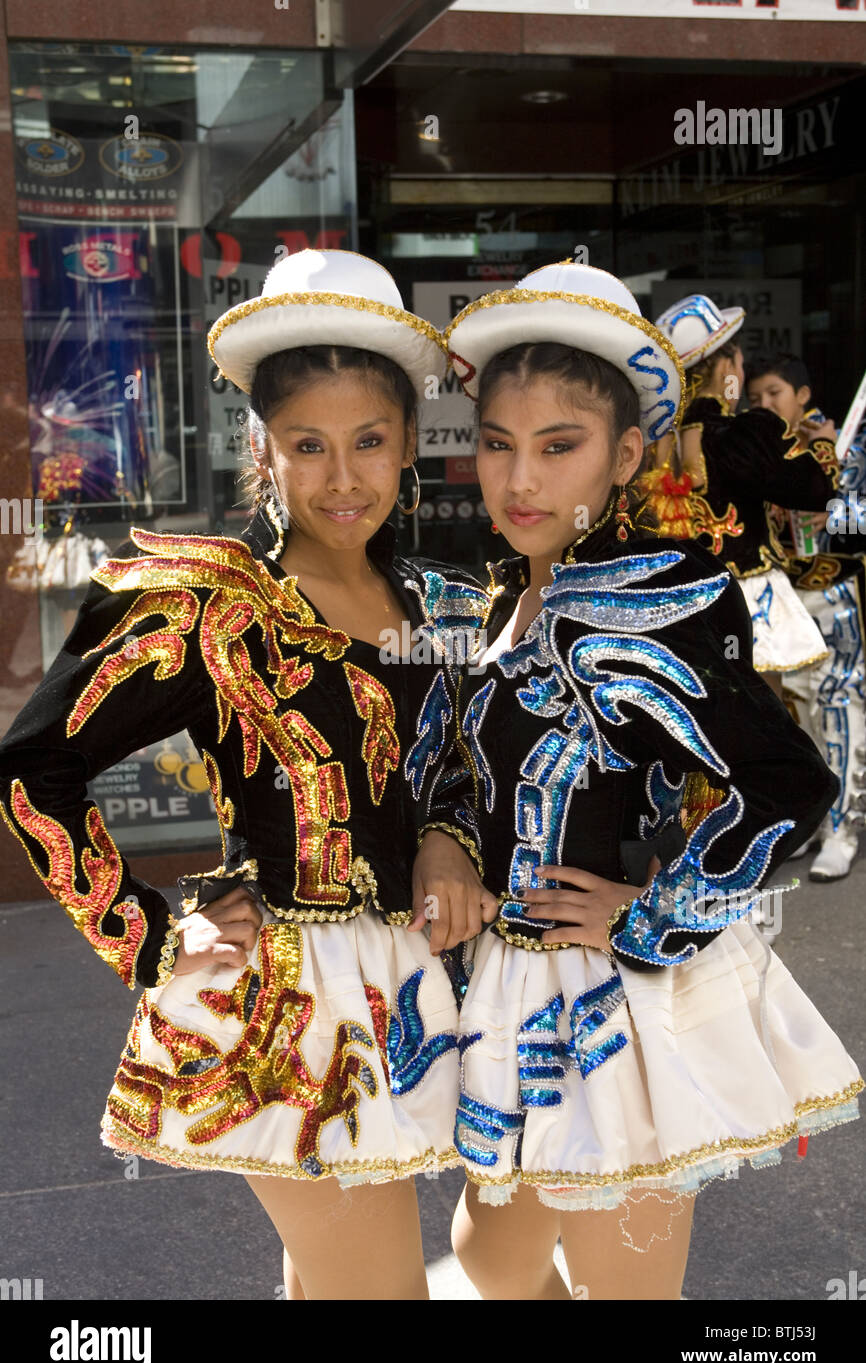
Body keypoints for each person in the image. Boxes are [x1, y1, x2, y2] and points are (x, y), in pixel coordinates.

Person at [0, 249, 496, 1302]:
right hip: (284, 1014)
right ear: (259, 449)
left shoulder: (440, 600)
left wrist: (447, 839)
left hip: (408, 989)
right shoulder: (208, 606)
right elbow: (32, 765)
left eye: (368, 441)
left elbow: (453, 761)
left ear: (409, 441)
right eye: (306, 444)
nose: (342, 477)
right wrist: (145, 936)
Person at [410, 260, 863, 1301]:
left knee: (621, 1284)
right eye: (495, 445)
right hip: (509, 980)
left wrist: (650, 913)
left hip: (611, 999)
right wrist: (443, 837)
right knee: (490, 1254)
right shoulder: (501, 597)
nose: (519, 482)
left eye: (556, 448)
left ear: (622, 454)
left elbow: (787, 786)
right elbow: (467, 766)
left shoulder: (650, 596)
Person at [637, 293, 839, 700]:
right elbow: (817, 490)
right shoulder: (742, 434)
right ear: (727, 365)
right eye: (741, 365)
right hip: (745, 599)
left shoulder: (650, 446)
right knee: (762, 723)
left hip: (674, 604)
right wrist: (824, 446)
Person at [744, 352, 866, 882]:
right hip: (785, 601)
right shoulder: (760, 454)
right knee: (797, 714)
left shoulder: (846, 450)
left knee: (839, 708)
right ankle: (813, 822)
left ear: (803, 396)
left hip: (837, 594)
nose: (766, 405)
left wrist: (834, 511)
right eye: (756, 398)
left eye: (774, 394)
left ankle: (844, 828)